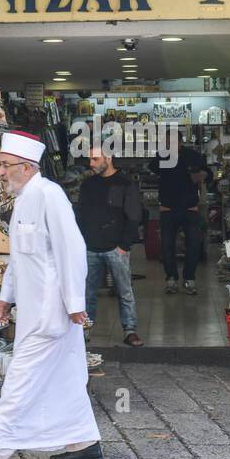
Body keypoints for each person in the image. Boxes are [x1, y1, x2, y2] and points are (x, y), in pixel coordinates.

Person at [0, 130, 103, 459]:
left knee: (21, 376)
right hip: (33, 309)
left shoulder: (51, 196)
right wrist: (6, 296)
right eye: (0, 166)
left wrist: (75, 302)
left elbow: (72, 250)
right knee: (65, 375)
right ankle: (84, 443)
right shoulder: (22, 201)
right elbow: (20, 259)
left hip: (53, 311)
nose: (0, 173)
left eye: (5, 166)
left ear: (27, 166)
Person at [75, 144, 144, 347]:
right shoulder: (87, 185)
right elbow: (80, 214)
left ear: (109, 158)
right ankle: (84, 332)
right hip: (90, 247)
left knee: (125, 291)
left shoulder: (125, 183)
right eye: (90, 159)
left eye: (95, 159)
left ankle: (130, 330)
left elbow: (134, 216)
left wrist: (124, 245)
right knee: (87, 293)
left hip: (116, 248)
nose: (91, 163)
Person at [151, 136, 212, 295]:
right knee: (166, 246)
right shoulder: (162, 156)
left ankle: (189, 279)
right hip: (167, 207)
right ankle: (171, 279)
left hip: (190, 207)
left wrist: (202, 175)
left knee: (193, 245)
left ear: (180, 142)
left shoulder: (192, 156)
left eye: (173, 142)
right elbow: (152, 169)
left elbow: (209, 173)